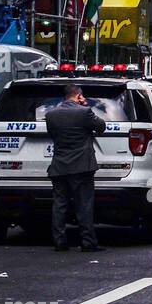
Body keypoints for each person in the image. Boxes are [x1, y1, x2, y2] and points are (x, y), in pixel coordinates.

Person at [44, 84, 106, 253]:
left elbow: (53, 135)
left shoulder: (51, 115)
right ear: (79, 96)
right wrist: (86, 107)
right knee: (84, 204)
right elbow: (101, 126)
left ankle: (59, 241)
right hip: (82, 166)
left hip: (59, 165)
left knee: (59, 204)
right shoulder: (84, 112)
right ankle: (88, 241)